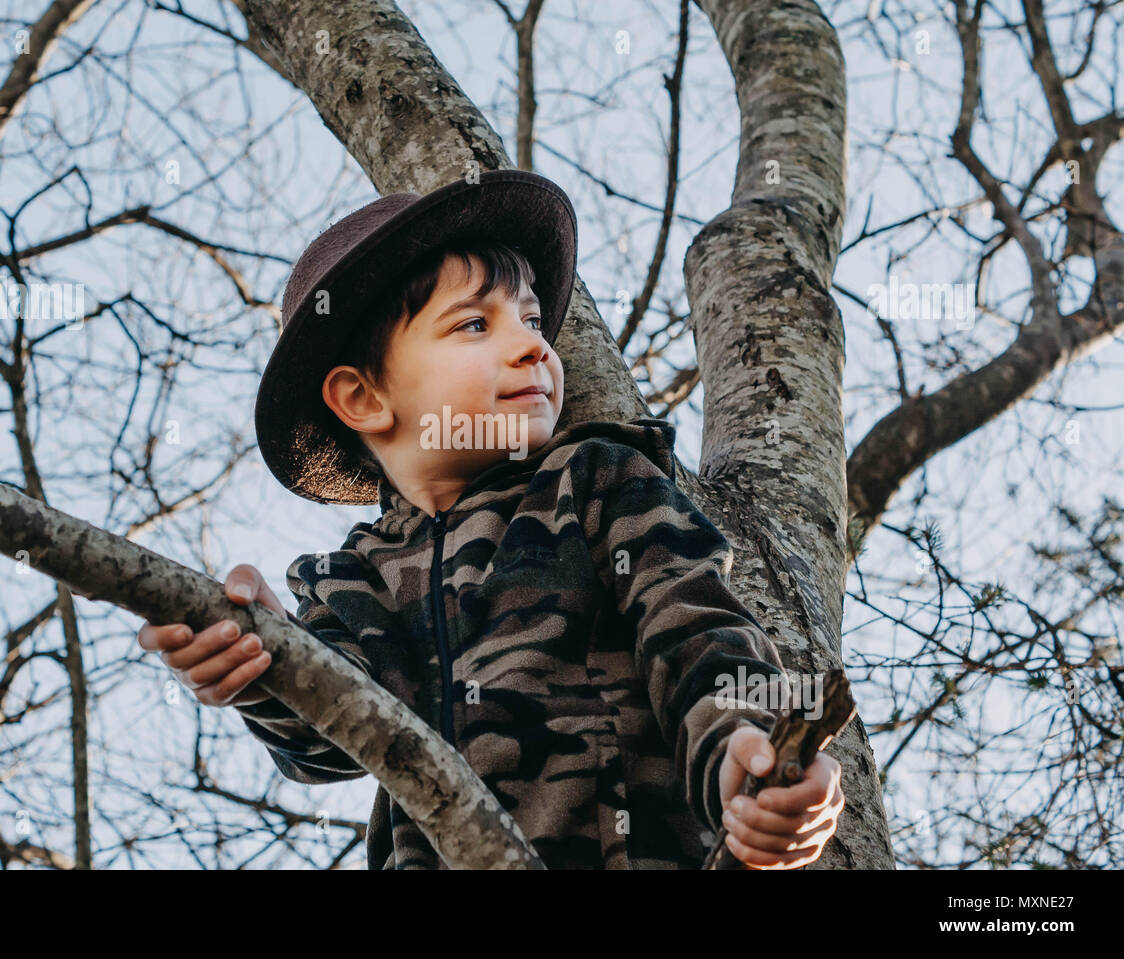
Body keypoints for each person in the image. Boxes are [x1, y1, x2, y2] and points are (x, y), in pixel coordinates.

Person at [137, 170, 844, 869]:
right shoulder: (354, 581)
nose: (535, 344)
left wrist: (744, 756)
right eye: (475, 323)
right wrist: (262, 656)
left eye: (532, 319)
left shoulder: (594, 478)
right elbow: (331, 729)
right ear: (362, 398)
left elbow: (696, 631)